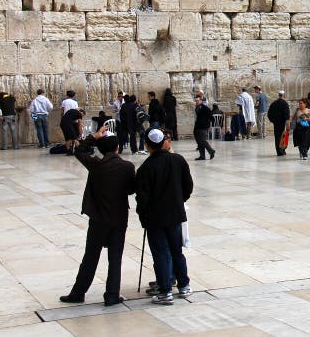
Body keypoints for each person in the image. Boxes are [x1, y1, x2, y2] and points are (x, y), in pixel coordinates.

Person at [59, 126, 135, 307]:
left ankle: (78, 293)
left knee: (91, 256)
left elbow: (79, 150)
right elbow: (131, 189)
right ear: (117, 148)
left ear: (101, 150)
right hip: (118, 218)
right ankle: (112, 295)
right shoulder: (127, 167)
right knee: (115, 258)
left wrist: (94, 136)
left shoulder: (96, 165)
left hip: (98, 218)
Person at [135, 129, 193, 305]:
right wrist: (178, 200)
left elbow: (142, 198)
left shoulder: (146, 168)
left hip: (155, 218)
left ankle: (165, 291)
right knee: (177, 251)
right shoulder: (178, 160)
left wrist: (143, 217)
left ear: (147, 145)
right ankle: (184, 286)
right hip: (175, 214)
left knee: (161, 254)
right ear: (164, 143)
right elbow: (188, 186)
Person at [267, 91, 290, 156]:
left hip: (276, 123)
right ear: (284, 95)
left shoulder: (274, 103)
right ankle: (282, 150)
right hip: (283, 123)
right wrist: (287, 124)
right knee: (284, 137)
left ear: (279, 95)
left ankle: (278, 151)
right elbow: (287, 115)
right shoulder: (285, 103)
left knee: (277, 137)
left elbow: (269, 114)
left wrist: (273, 121)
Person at [193, 95, 215, 160]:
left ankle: (211, 151)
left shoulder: (205, 108)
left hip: (203, 127)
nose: (196, 102)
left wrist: (206, 123)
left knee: (203, 140)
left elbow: (211, 117)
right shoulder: (196, 108)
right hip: (197, 127)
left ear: (201, 101)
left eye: (198, 100)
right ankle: (202, 156)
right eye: (196, 101)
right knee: (199, 142)